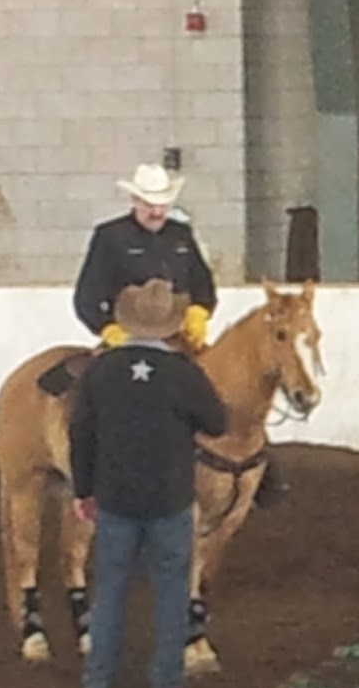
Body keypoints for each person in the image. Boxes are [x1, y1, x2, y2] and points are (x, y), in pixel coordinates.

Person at [71, 163, 287, 505]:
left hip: (178, 336)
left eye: (162, 204)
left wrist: (199, 314)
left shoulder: (181, 236)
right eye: (149, 204)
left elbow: (203, 285)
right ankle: (91, 462)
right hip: (127, 335)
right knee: (96, 390)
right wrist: (108, 329)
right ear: (134, 201)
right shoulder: (110, 237)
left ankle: (257, 466)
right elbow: (86, 296)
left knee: (227, 388)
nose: (157, 211)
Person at [69, 280, 227, 688]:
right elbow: (217, 423)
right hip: (170, 498)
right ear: (172, 323)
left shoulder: (101, 370)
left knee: (110, 588)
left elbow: (80, 432)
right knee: (173, 590)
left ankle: (97, 681)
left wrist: (84, 490)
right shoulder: (183, 372)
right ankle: (166, 683)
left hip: (115, 498)